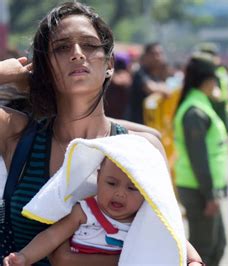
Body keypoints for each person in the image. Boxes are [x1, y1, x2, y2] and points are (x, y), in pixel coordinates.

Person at [0, 2, 202, 265]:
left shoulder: (142, 147)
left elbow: (164, 236)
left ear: (109, 64)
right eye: (61, 47)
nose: (77, 54)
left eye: (89, 45)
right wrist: (5, 73)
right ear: (45, 67)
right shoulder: (16, 135)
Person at [3, 157, 144, 266]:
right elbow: (52, 236)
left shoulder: (143, 222)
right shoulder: (85, 211)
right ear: (99, 177)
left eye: (132, 188)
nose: (120, 193)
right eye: (111, 183)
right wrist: (25, 257)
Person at [174, 53, 228, 266]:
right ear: (208, 81)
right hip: (199, 189)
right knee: (203, 252)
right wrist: (210, 195)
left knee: (217, 245)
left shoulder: (200, 104)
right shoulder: (195, 111)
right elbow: (199, 158)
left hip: (203, 187)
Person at [129, 42, 170, 124]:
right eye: (154, 54)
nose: (158, 57)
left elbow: (166, 88)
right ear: (146, 56)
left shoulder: (155, 75)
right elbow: (150, 88)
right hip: (137, 123)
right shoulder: (140, 73)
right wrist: (162, 89)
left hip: (150, 122)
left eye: (160, 54)